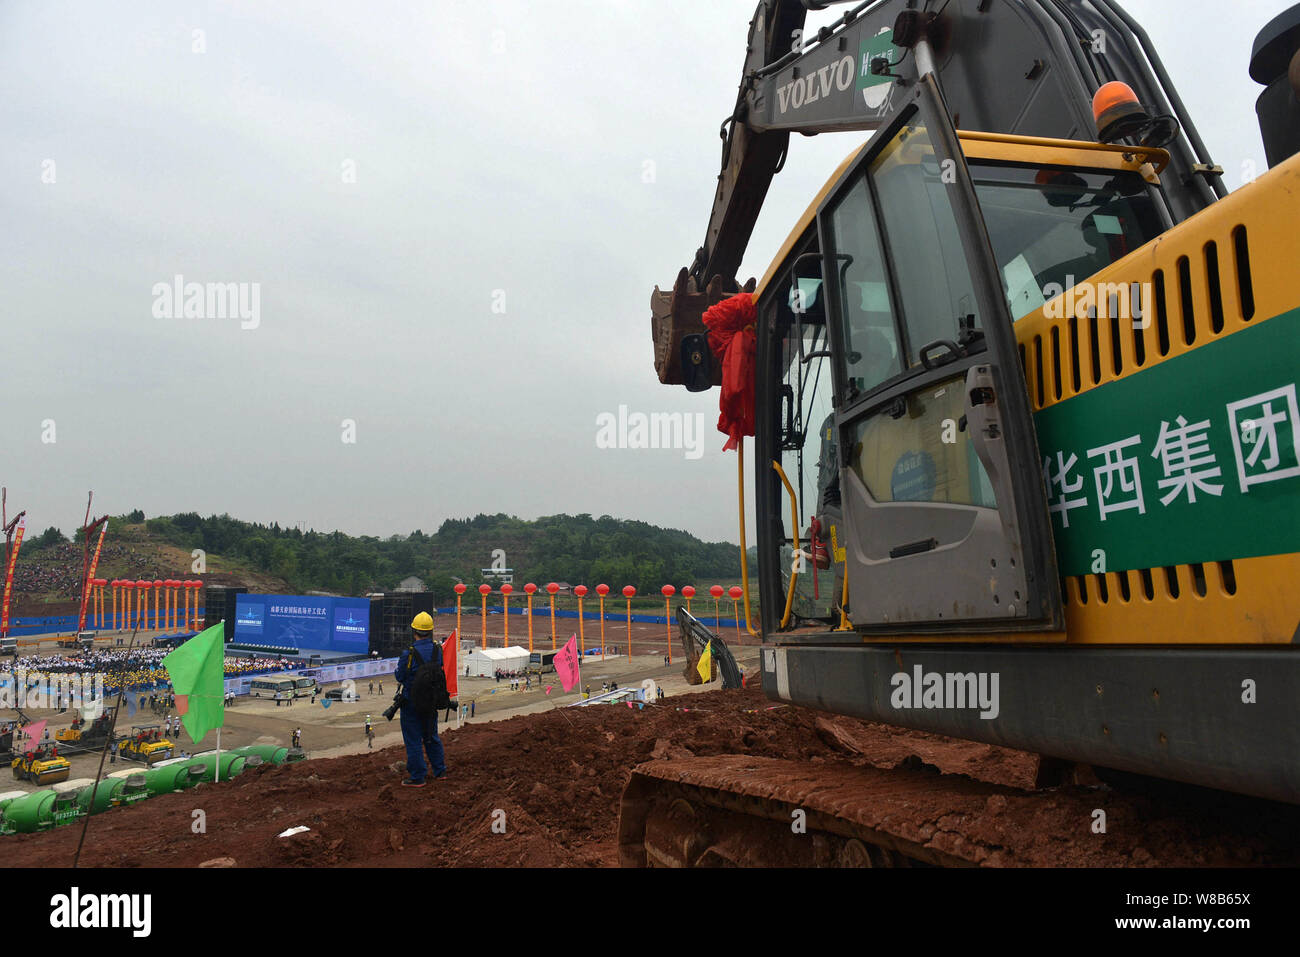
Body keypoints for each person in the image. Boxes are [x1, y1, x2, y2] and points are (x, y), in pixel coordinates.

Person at [392, 612, 446, 787]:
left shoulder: (408, 653)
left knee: (413, 740)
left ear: (414, 630)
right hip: (431, 701)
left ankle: (418, 777)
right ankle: (440, 771)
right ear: (430, 631)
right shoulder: (438, 650)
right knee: (431, 736)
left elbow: (400, 676)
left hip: (411, 703)